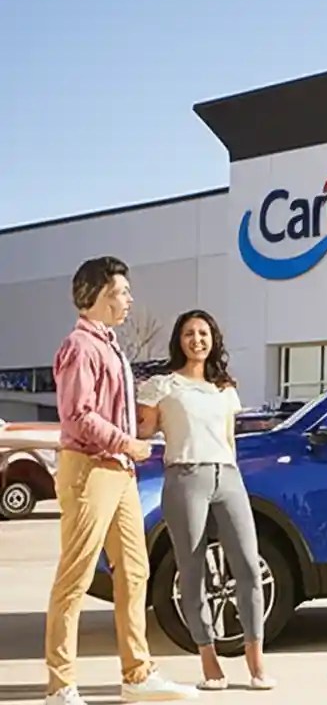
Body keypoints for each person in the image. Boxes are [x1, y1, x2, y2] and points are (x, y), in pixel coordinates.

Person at [45, 256, 199, 704]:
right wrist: (127, 443)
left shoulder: (109, 344)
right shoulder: (80, 347)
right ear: (98, 294)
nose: (130, 299)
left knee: (134, 569)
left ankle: (137, 674)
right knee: (74, 576)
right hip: (89, 468)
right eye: (122, 291)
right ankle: (60, 685)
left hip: (118, 470)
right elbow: (77, 415)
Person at [136, 309, 275, 691]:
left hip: (227, 476)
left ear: (213, 340)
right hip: (185, 477)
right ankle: (209, 662)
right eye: (188, 334)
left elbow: (229, 439)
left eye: (203, 333)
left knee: (248, 566)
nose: (196, 340)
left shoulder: (224, 388)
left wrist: (234, 476)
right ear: (178, 341)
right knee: (192, 569)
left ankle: (256, 662)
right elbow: (143, 431)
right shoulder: (163, 385)